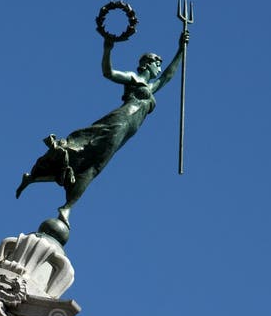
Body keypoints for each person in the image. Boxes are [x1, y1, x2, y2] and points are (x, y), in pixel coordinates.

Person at [16, 29, 189, 226]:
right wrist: (108, 49)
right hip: (118, 123)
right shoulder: (134, 78)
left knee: (94, 165)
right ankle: (65, 205)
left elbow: (168, 76)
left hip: (125, 133)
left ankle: (37, 182)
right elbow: (109, 72)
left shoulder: (150, 88)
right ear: (147, 64)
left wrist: (181, 49)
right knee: (90, 159)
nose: (160, 68)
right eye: (157, 64)